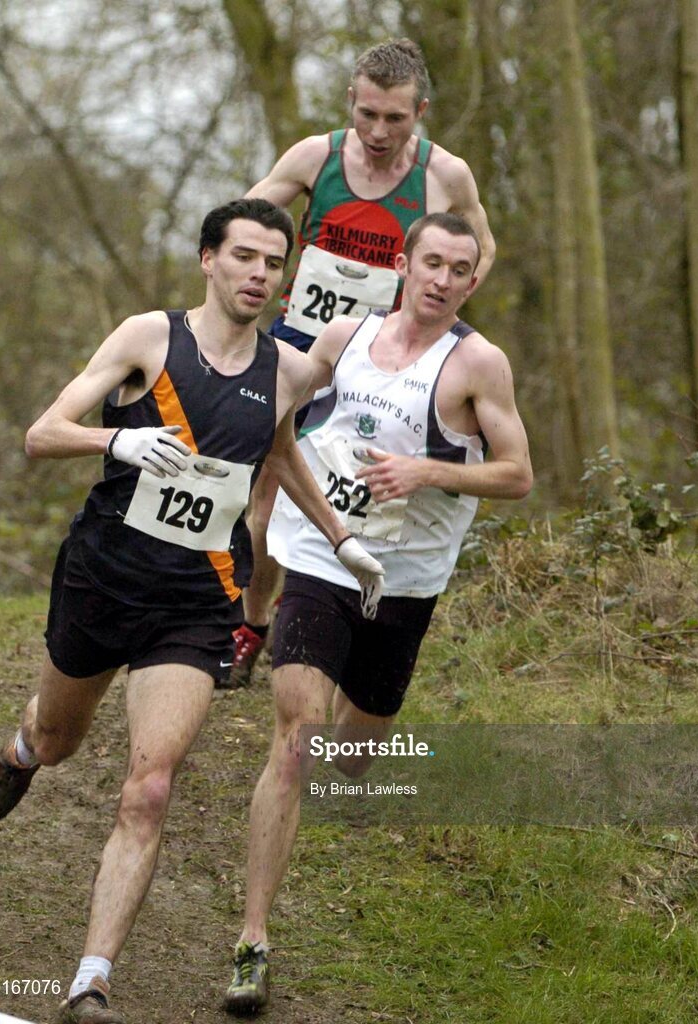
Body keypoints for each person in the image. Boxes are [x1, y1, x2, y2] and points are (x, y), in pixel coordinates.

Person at [0, 199, 384, 1024]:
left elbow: (281, 453)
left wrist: (340, 540)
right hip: (103, 580)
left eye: (274, 264)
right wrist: (114, 442)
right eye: (243, 258)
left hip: (197, 601)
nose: (258, 276)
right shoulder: (147, 338)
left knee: (151, 786)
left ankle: (89, 982)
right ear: (208, 259)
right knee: (61, 740)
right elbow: (40, 432)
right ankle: (24, 744)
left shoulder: (287, 371)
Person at [223, 212, 532, 1014]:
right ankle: (253, 939)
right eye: (430, 261)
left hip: (406, 583)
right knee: (296, 736)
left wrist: (427, 471)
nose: (441, 278)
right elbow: (279, 407)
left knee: (352, 758)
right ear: (404, 261)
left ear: (470, 281)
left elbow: (517, 475)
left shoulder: (478, 364)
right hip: (325, 554)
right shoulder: (346, 336)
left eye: (458, 269)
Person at [229, 37, 497, 687]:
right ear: (351, 100)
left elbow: (483, 247)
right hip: (300, 342)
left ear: (421, 111)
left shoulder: (444, 176)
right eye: (367, 113)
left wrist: (434, 314)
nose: (378, 131)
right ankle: (252, 623)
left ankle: (349, 622)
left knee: (365, 491)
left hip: (382, 358)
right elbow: (244, 221)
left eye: (395, 118)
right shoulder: (313, 158)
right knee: (265, 500)